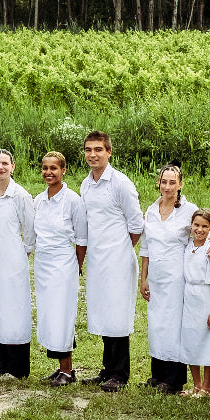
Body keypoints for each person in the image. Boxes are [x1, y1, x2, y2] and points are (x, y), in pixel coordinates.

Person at [78, 132, 144, 391]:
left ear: (109, 152)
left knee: (117, 314)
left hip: (118, 259)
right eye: (88, 150)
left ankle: (119, 373)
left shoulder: (120, 183)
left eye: (98, 149)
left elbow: (137, 224)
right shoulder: (86, 184)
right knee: (104, 312)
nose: (93, 154)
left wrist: (120, 248)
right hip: (97, 259)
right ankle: (107, 369)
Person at [138, 164, 200, 394]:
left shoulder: (188, 210)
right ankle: (157, 375)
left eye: (172, 182)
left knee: (173, 325)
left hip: (177, 276)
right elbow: (146, 246)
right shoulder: (152, 210)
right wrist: (143, 278)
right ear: (158, 182)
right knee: (157, 324)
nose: (167, 186)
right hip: (155, 276)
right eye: (164, 182)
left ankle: (174, 380)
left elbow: (204, 233)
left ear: (180, 184)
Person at [34, 151, 89, 387]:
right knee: (49, 315)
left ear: (63, 170)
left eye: (53, 168)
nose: (48, 172)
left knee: (63, 315)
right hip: (43, 263)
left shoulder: (73, 200)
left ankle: (68, 370)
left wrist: (75, 266)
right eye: (45, 168)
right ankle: (59, 368)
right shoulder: (38, 200)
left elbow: (82, 239)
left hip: (64, 263)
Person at [0, 148, 35, 380]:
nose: (1, 167)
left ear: (13, 167)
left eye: (5, 163)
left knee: (15, 310)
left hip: (14, 259)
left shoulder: (20, 195)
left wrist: (23, 253)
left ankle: (19, 367)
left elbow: (30, 230)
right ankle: (2, 362)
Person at [179, 209, 210, 398]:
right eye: (196, 225)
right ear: (191, 225)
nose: (199, 229)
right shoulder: (188, 244)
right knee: (191, 341)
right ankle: (196, 385)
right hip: (190, 297)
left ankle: (206, 386)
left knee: (206, 342)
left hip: (205, 296)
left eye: (205, 226)